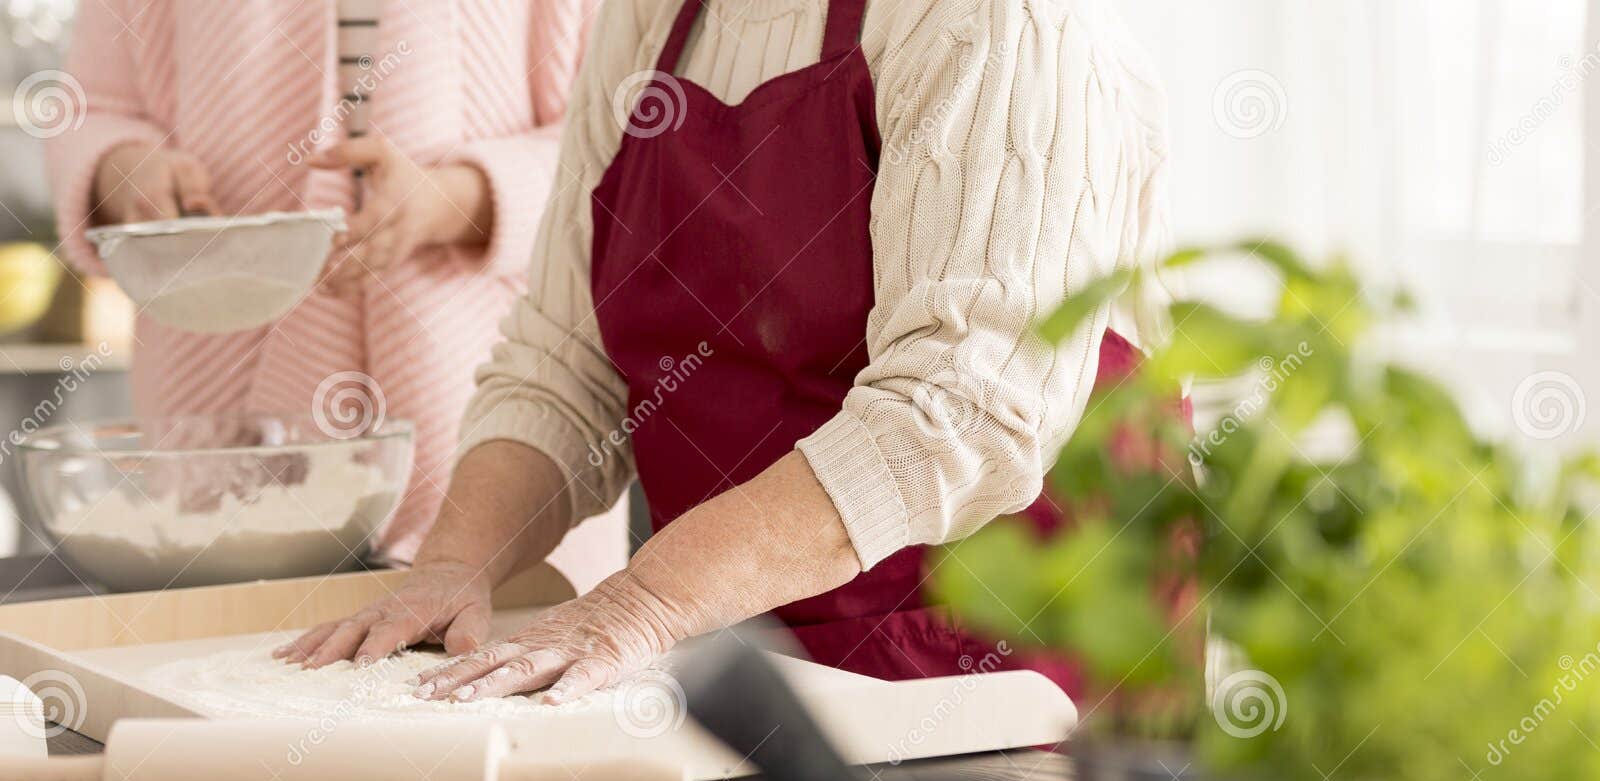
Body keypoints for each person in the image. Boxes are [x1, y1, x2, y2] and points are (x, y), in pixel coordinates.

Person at [281, 0, 1172, 704]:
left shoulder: (998, 17)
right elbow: (565, 362)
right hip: (757, 667)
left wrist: (646, 600)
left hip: (1006, 672)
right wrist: (454, 561)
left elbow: (960, 412)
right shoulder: (653, 14)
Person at [46, 0, 626, 585]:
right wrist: (124, 169)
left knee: (503, 626)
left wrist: (456, 200)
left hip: (498, 411)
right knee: (224, 628)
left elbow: (627, 141)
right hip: (217, 420)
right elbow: (89, 109)